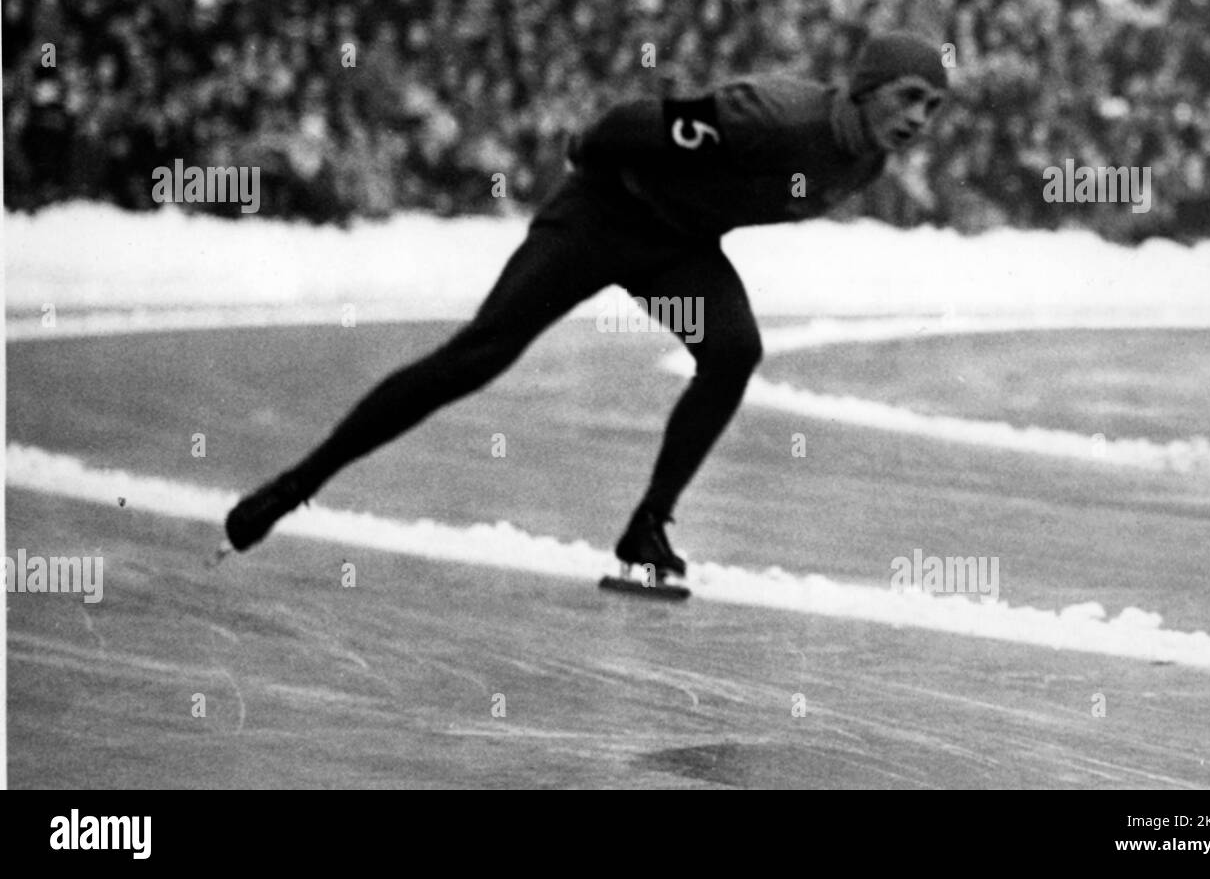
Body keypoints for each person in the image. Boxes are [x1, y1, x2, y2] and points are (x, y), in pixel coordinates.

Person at [224, 32, 950, 578]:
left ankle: (648, 525)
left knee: (732, 353)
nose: (920, 117)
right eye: (909, 96)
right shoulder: (778, 115)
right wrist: (587, 147)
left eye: (934, 106)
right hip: (604, 216)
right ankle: (297, 484)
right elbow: (638, 120)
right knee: (480, 355)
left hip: (678, 251)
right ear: (865, 86)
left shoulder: (869, 162)